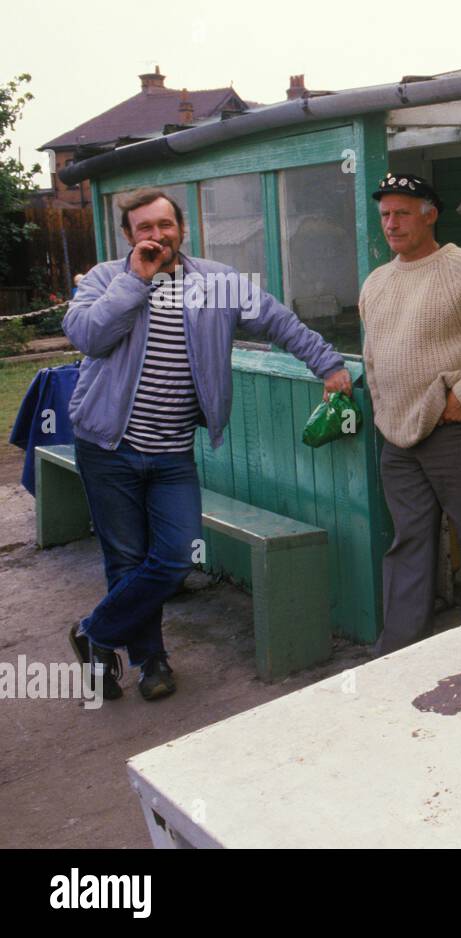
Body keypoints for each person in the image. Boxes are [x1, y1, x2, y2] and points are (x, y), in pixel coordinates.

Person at [64, 188, 352, 701]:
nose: (157, 235)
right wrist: (136, 280)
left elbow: (277, 320)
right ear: (129, 236)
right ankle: (152, 662)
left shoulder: (216, 283)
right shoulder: (108, 280)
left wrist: (326, 363)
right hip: (107, 448)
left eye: (165, 225)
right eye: (144, 228)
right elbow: (87, 336)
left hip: (172, 451)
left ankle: (96, 633)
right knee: (126, 560)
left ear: (182, 229)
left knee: (175, 558)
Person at [362, 173, 461, 655]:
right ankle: (402, 648)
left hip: (458, 429)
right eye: (386, 214)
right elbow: (372, 357)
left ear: (430, 214)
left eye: (403, 213)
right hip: (398, 438)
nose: (391, 224)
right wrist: (384, 410)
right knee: (409, 541)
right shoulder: (376, 282)